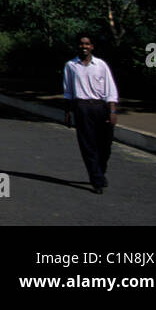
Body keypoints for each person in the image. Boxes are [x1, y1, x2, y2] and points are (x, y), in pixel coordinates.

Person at [63, 34, 119, 194]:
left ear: (92, 47)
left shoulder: (101, 65)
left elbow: (110, 88)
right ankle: (96, 179)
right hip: (82, 107)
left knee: (105, 145)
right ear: (77, 46)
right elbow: (68, 91)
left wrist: (112, 110)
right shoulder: (71, 66)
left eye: (87, 44)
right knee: (88, 145)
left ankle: (100, 171)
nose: (84, 47)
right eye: (81, 44)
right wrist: (67, 112)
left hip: (100, 107)